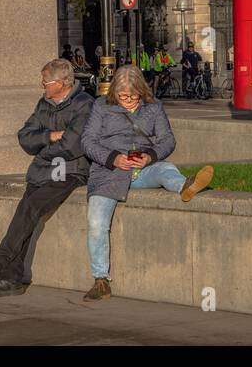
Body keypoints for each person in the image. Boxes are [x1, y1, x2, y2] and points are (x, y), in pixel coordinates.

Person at [80, 65, 214, 301]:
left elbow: (167, 140)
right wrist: (114, 158)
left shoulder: (154, 107)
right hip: (108, 173)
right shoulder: (101, 106)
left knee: (165, 169)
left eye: (132, 96)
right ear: (114, 93)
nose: (128, 101)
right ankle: (101, 280)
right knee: (96, 222)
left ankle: (185, 186)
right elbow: (88, 142)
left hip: (142, 169)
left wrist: (149, 156)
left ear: (141, 91)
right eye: (122, 96)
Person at [0, 59, 93, 297]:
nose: (42, 86)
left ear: (61, 83)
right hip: (41, 171)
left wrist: (43, 146)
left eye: (46, 82)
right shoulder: (44, 104)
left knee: (30, 208)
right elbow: (25, 138)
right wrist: (50, 136)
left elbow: (72, 146)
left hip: (69, 171)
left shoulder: (85, 105)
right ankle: (10, 279)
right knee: (25, 214)